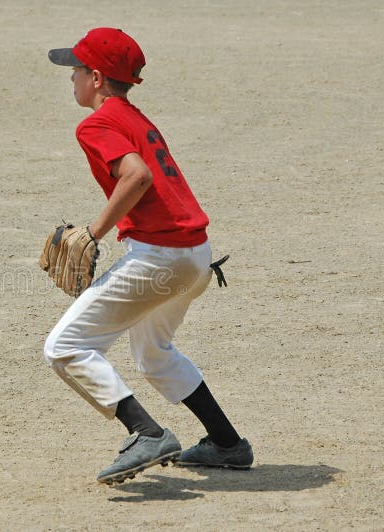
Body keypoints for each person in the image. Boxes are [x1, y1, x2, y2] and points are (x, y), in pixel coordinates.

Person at [43, 27, 253, 485]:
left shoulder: (96, 123)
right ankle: (226, 443)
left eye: (76, 70)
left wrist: (93, 232)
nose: (71, 78)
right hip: (194, 254)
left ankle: (145, 432)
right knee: (153, 351)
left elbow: (136, 176)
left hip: (161, 258)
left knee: (65, 346)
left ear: (96, 77)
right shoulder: (134, 116)